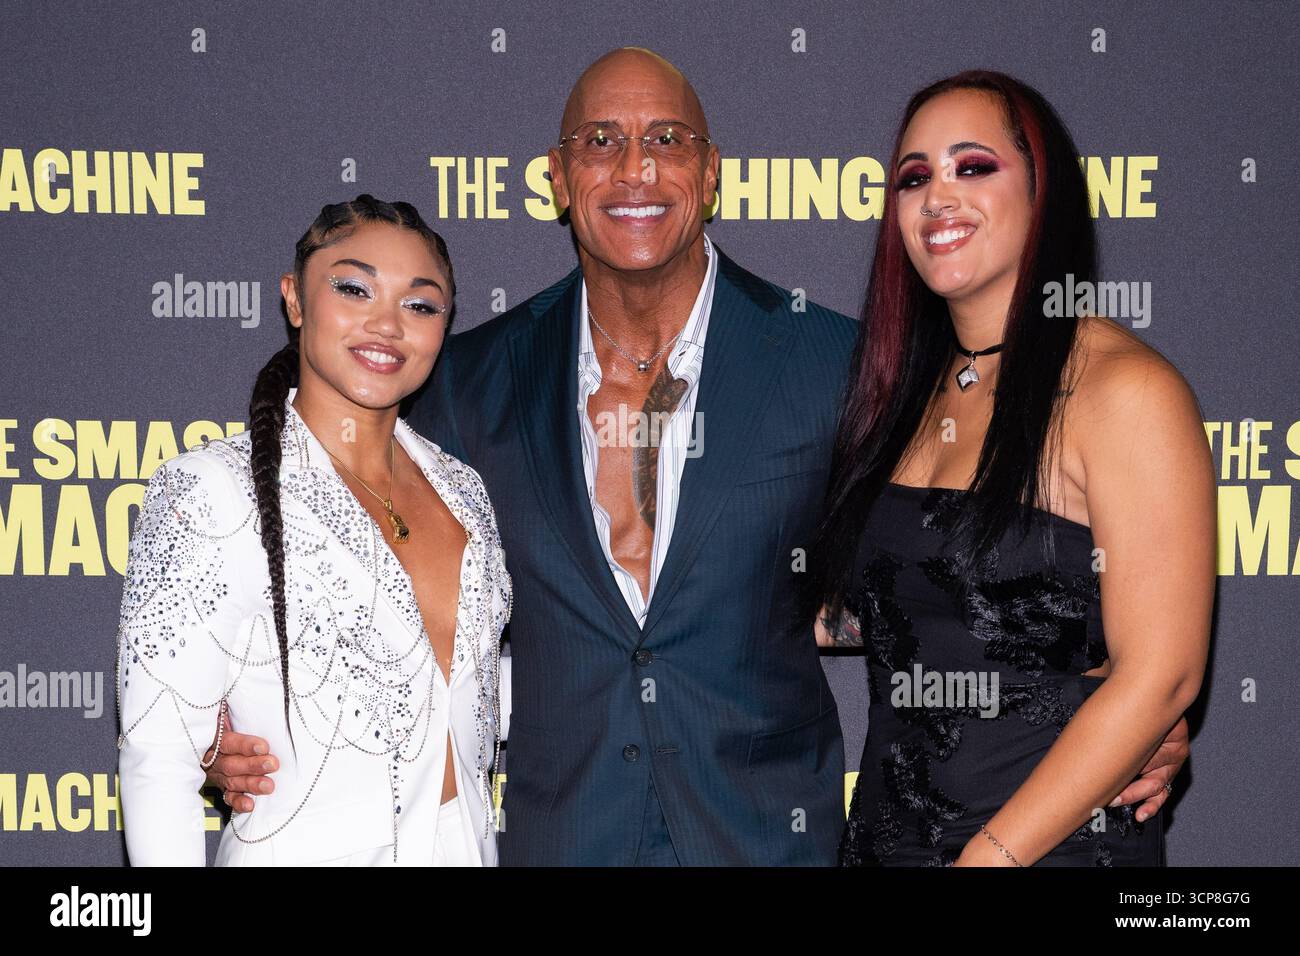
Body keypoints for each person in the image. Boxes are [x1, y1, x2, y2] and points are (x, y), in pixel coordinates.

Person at [204, 50, 1189, 866]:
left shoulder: (844, 366)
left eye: (666, 141)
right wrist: (228, 706)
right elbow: (334, 551)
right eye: (601, 143)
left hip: (778, 846)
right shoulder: (463, 381)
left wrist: (1124, 713)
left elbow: (940, 579)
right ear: (558, 176)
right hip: (562, 841)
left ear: (711, 173)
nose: (635, 168)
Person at [810, 71, 1213, 866]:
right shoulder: (902, 397)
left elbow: (1161, 676)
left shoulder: (1127, 393)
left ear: (1043, 188)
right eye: (915, 177)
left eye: (973, 166)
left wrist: (987, 860)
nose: (937, 198)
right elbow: (887, 612)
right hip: (888, 843)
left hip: (1046, 851)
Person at [115, 194, 512, 865]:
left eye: (420, 304)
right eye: (354, 288)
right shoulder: (212, 490)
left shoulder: (464, 493)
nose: (386, 323)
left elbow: (476, 709)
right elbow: (158, 761)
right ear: (295, 301)